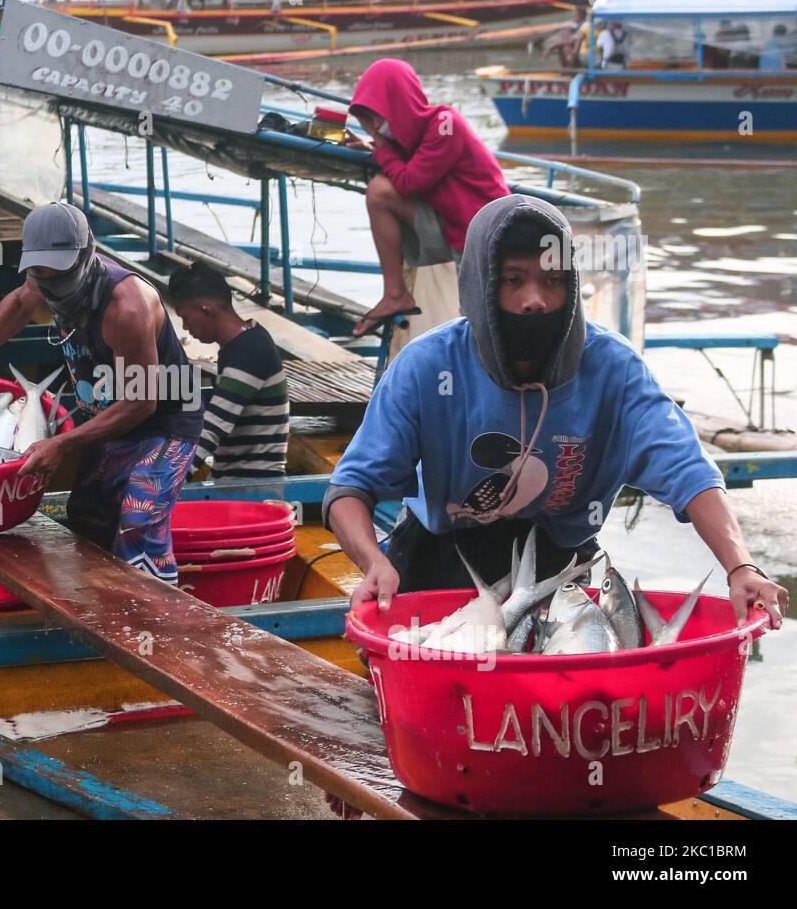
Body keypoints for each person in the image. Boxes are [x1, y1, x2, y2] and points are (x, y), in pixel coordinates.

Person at [323, 194, 787, 631]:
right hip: (438, 554)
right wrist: (373, 562)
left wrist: (740, 564)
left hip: (561, 557)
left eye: (552, 281)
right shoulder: (427, 366)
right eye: (512, 280)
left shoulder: (613, 368)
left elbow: (687, 469)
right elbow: (352, 487)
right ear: (481, 284)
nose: (535, 300)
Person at [0, 202, 203, 583]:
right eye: (40, 275)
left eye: (59, 275)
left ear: (86, 254)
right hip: (106, 416)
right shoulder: (41, 278)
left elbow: (142, 402)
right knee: (87, 519)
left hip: (164, 420)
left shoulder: (125, 308)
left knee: (138, 519)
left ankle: (158, 626)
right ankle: (102, 610)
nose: (50, 286)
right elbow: (17, 304)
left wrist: (62, 444)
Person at [344, 60, 509, 336]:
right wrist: (373, 147)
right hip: (455, 230)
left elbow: (410, 182)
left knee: (482, 323)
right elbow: (408, 170)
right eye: (368, 121)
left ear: (400, 104)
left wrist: (382, 148)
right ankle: (395, 293)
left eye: (377, 118)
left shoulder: (445, 125)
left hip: (487, 233)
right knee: (379, 190)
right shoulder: (413, 140)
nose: (374, 127)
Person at [166, 266, 289, 479]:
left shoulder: (250, 351)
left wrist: (170, 477)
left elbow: (213, 426)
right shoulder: (245, 342)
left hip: (253, 485)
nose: (185, 327)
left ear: (206, 309)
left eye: (185, 317)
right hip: (233, 476)